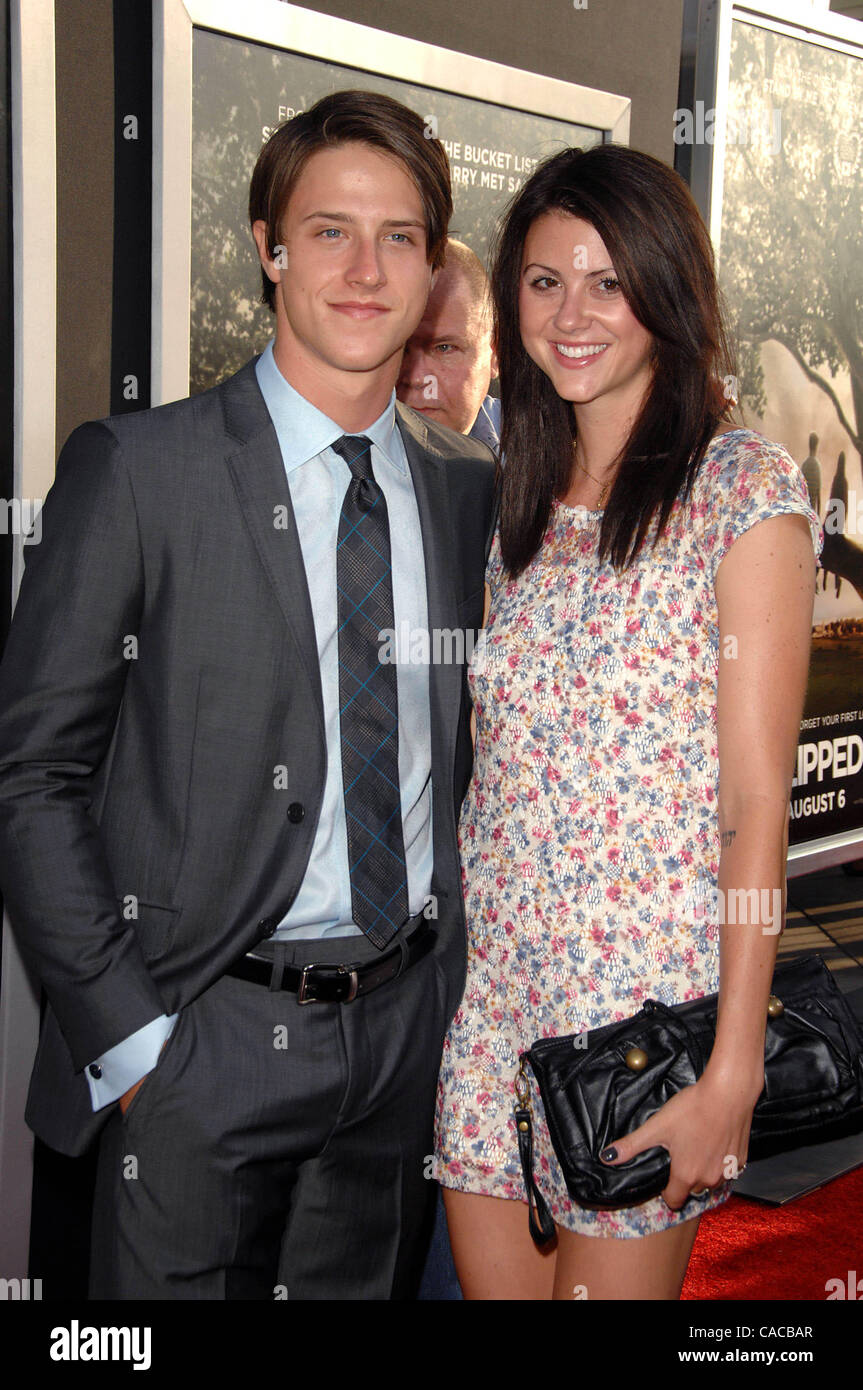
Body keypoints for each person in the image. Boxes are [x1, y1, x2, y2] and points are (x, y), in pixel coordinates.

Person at [0, 89, 496, 1300]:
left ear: (433, 264)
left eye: (398, 237)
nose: (365, 268)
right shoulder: (138, 472)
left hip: (399, 1040)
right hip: (198, 1036)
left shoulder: (469, 488)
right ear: (269, 248)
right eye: (328, 230)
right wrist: (133, 1040)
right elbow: (34, 774)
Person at [433, 143, 820, 1301]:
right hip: (492, 1010)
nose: (571, 312)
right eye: (543, 281)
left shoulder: (736, 491)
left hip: (641, 1028)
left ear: (664, 286)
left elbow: (757, 810)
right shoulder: (521, 508)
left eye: (606, 280)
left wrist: (734, 1066)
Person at [398, 238, 500, 449]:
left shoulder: (552, 459)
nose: (417, 378)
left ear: (496, 352)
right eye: (398, 349)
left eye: (444, 348)